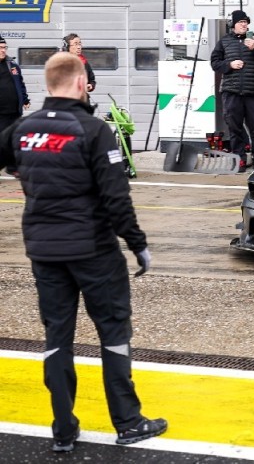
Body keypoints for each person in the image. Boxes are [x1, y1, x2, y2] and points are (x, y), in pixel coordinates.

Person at [0, 52, 167, 452]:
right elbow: (116, 197)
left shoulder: (23, 129)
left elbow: (8, 161)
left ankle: (63, 430)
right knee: (112, 331)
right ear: (80, 83)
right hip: (93, 250)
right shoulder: (93, 129)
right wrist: (138, 244)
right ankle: (127, 422)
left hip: (43, 250)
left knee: (57, 336)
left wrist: (27, 171)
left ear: (46, 84)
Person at [210, 9, 254, 173]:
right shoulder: (224, 42)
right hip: (231, 91)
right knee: (234, 126)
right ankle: (239, 159)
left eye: (246, 22)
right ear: (233, 25)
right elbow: (214, 63)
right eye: (240, 22)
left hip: (252, 91)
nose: (244, 25)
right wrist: (229, 65)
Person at [0, 36, 31, 176]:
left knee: (14, 138)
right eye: (0, 48)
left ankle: (13, 166)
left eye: (4, 48)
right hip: (1, 114)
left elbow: (20, 84)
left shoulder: (12, 65)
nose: (3, 50)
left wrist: (25, 99)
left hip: (14, 111)